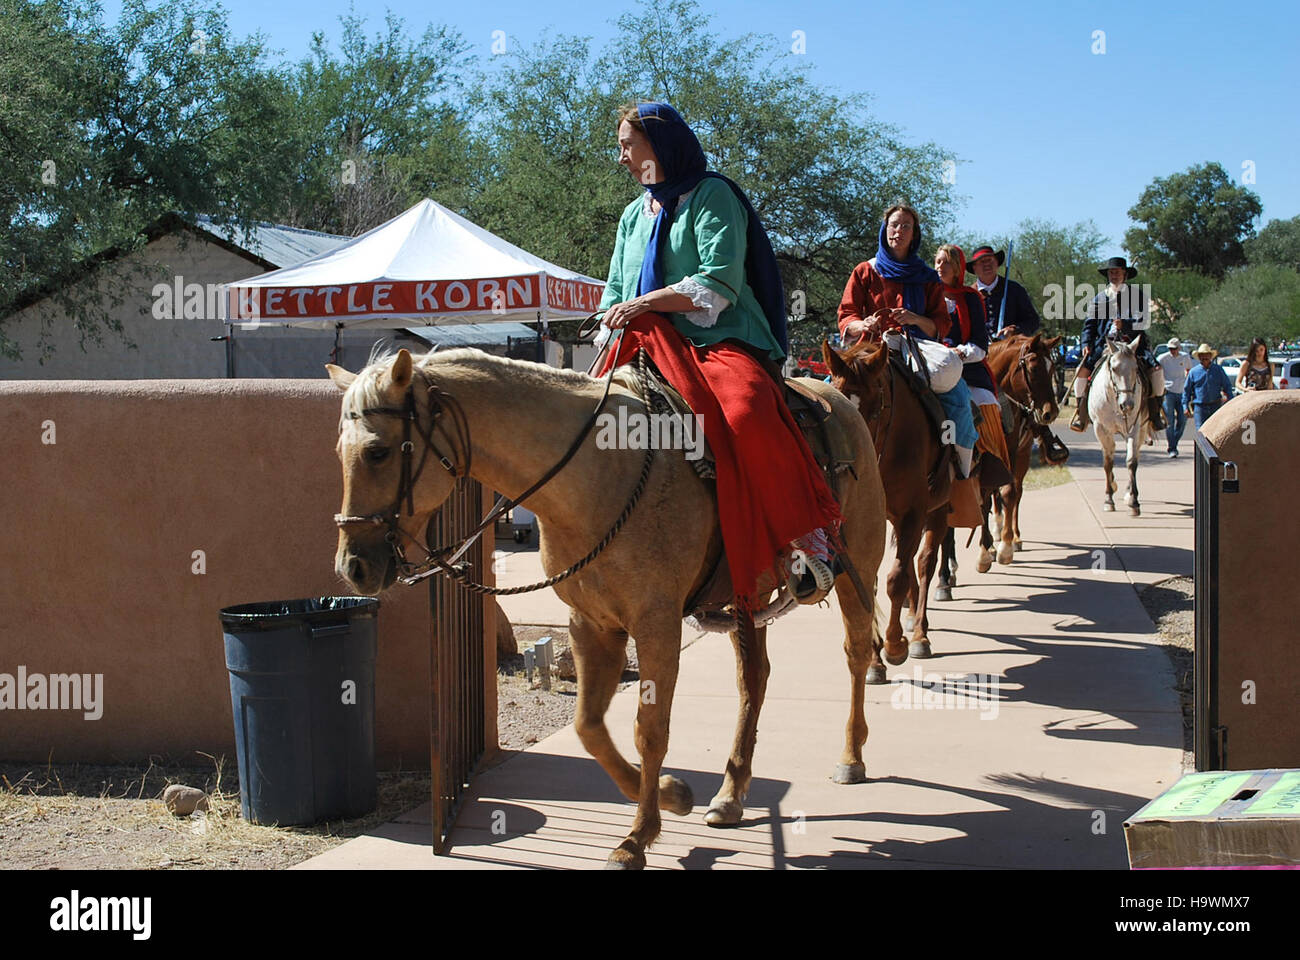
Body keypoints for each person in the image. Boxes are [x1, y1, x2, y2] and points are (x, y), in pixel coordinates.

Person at [595, 101, 841, 608]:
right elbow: (615, 289)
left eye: (627, 145)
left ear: (658, 146)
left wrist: (646, 302)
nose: (620, 157)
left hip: (717, 337)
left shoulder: (713, 195)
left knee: (746, 410)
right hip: (644, 339)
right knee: (590, 419)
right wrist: (611, 317)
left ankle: (805, 535)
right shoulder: (631, 217)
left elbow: (718, 280)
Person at [837, 204, 979, 478]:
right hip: (871, 350)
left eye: (906, 226)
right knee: (831, 393)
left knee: (959, 397)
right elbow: (847, 315)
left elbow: (940, 323)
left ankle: (959, 470)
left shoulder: (927, 276)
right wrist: (863, 323)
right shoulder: (866, 271)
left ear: (914, 235)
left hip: (916, 350)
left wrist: (914, 318)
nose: (898, 231)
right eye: (894, 225)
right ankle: (826, 469)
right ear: (885, 229)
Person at [935, 243, 1012, 490]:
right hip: (930, 366)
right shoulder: (926, 294)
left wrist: (959, 353)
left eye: (946, 262)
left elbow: (979, 345)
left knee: (984, 400)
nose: (940, 267)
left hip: (967, 369)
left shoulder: (970, 298)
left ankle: (987, 462)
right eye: (937, 261)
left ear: (957, 268)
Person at [1069, 256, 1166, 432]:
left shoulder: (1138, 297)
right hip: (1106, 344)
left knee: (1157, 371)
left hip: (1133, 344)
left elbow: (1142, 323)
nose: (1114, 275)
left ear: (1125, 274)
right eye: (1111, 272)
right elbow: (1089, 325)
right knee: (1081, 372)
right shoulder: (1099, 299)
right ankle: (1080, 414)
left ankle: (1155, 413)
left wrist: (1125, 325)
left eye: (1117, 272)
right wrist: (1086, 343)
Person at [966, 245, 1041, 338]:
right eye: (982, 262)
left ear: (997, 262)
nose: (986, 264)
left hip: (1011, 348)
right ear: (974, 268)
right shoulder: (968, 295)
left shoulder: (1015, 289)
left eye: (989, 260)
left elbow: (1033, 321)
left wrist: (1015, 330)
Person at [1158, 337, 1195, 457]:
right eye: (1170, 349)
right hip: (1168, 391)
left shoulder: (1184, 357)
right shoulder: (1163, 358)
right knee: (1170, 421)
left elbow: (1189, 370)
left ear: (1178, 348)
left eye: (1174, 349)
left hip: (1182, 391)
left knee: (1182, 420)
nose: (1172, 351)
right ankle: (1172, 448)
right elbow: (1156, 370)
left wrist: (1188, 385)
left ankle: (1174, 443)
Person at [1183, 343, 1234, 430]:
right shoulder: (1193, 372)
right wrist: (1185, 407)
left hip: (1216, 405)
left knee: (1216, 430)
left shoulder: (1218, 370)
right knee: (1200, 431)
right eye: (1202, 355)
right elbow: (1186, 391)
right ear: (1199, 357)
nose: (1204, 357)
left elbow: (1227, 386)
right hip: (1200, 407)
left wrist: (1231, 403)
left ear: (1210, 356)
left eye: (1207, 355)